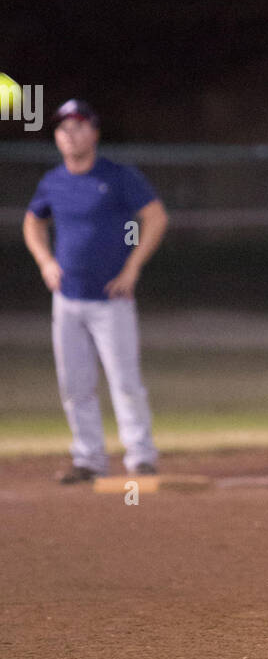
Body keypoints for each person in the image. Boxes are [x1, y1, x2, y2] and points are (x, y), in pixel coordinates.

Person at [23, 99, 169, 484]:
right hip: (67, 299)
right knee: (75, 383)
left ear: (95, 133)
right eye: (62, 128)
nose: (69, 134)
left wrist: (132, 268)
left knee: (124, 381)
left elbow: (154, 217)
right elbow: (32, 222)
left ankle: (140, 457)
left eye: (78, 126)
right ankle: (88, 458)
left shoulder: (119, 176)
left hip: (112, 299)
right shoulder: (53, 181)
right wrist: (45, 262)